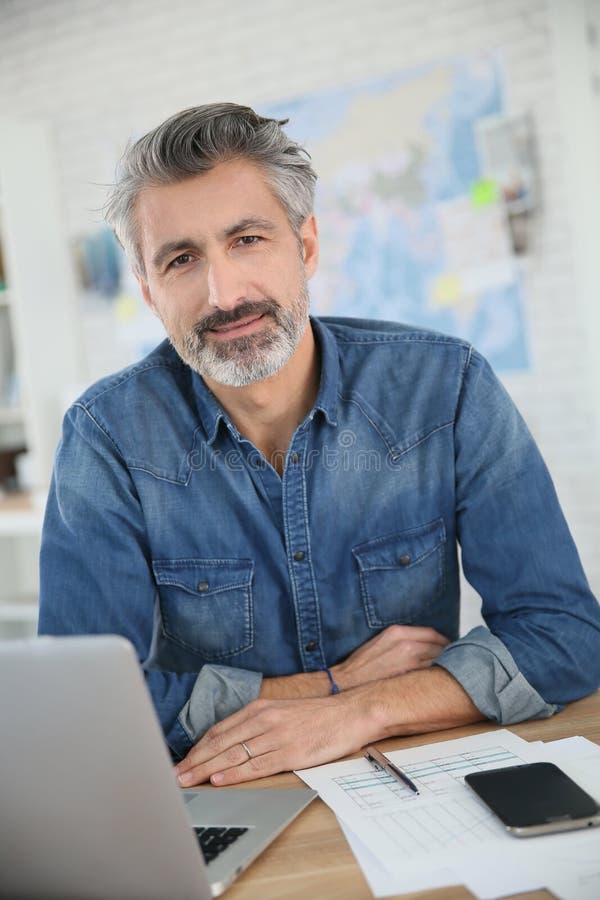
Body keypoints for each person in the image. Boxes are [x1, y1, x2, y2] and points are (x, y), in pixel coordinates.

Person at [39, 103, 600, 789]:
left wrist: (361, 710)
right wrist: (324, 688)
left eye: (247, 240)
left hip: (423, 784)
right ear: (151, 292)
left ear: (306, 246)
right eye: (182, 259)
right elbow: (85, 706)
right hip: (233, 801)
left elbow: (565, 635)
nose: (224, 293)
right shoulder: (107, 437)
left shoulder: (445, 387)